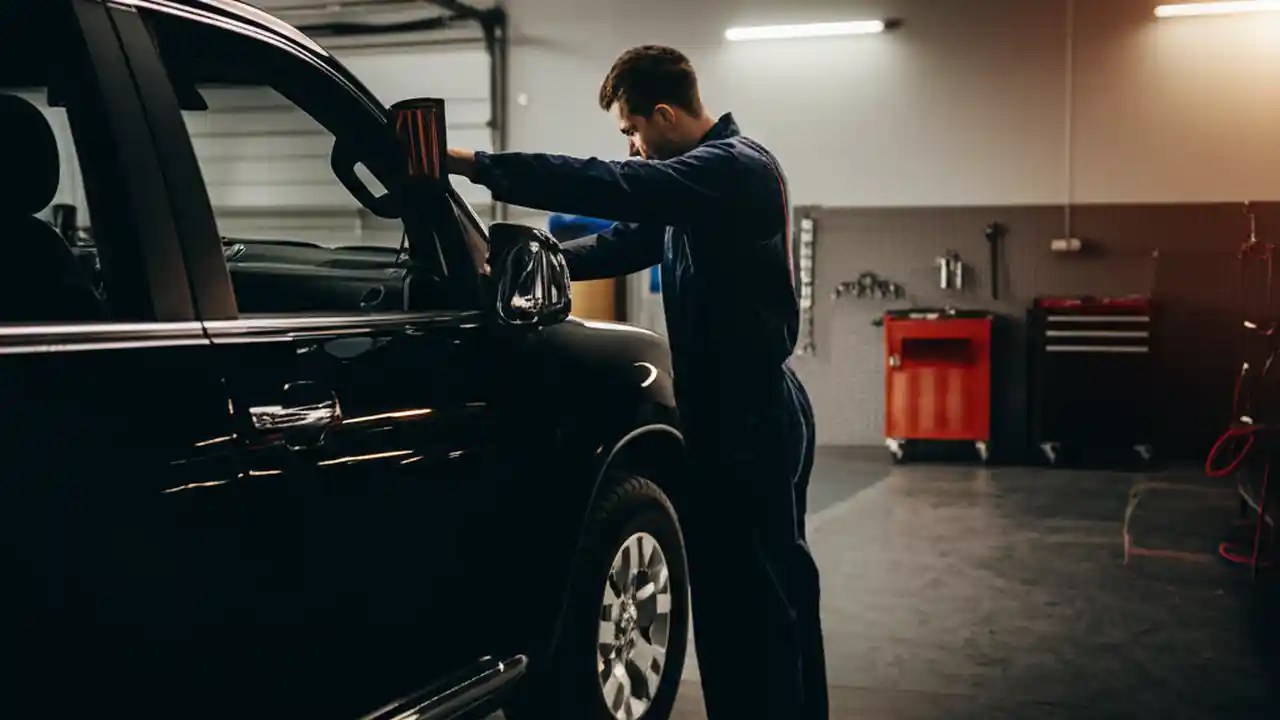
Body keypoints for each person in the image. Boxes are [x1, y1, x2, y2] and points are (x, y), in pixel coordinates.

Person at [446, 45, 827, 719]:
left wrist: (470, 164)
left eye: (631, 129)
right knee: (748, 595)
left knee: (758, 602)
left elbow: (608, 185)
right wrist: (525, 266)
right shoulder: (700, 190)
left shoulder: (731, 168)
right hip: (734, 411)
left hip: (752, 416)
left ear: (662, 113)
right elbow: (623, 242)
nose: (630, 144)